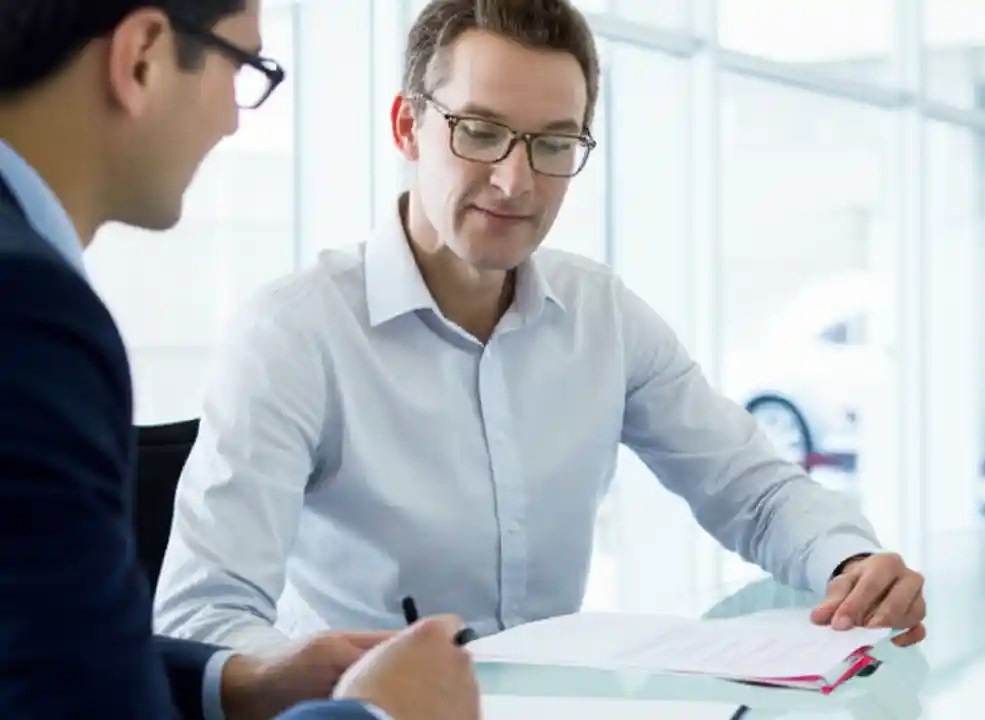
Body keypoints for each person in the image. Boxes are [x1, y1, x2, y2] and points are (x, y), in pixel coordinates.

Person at [154, 0, 927, 655]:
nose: (516, 181)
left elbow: (750, 492)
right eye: (480, 132)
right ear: (406, 126)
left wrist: (849, 559)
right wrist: (335, 682)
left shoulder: (603, 316)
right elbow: (201, 619)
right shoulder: (295, 334)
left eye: (554, 143)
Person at [0, 1, 479, 718]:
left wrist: (236, 681)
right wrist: (373, 714)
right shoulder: (28, 310)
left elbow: (40, 654)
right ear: (142, 57)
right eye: (243, 66)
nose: (232, 118)